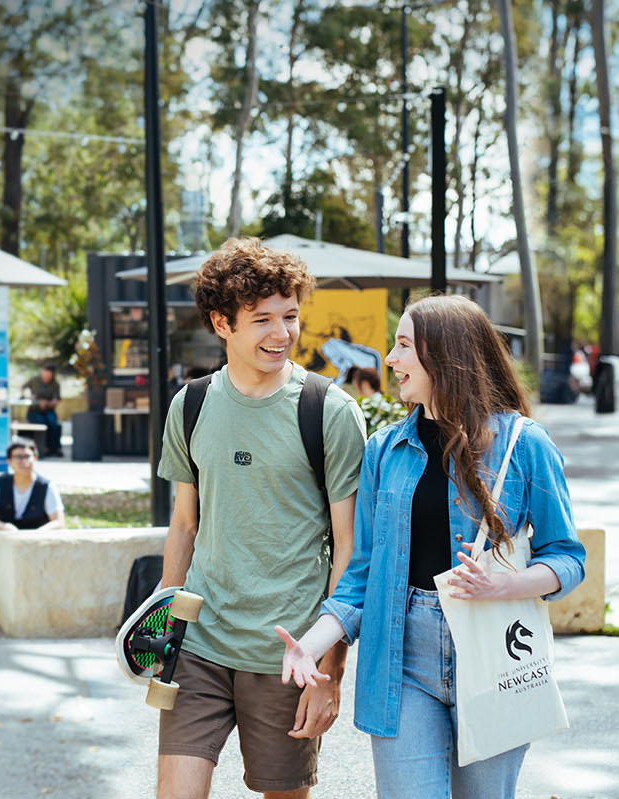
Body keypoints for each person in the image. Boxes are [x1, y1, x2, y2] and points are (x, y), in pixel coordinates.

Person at [274, 294, 586, 799]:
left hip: (493, 648)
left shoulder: (525, 444)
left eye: (402, 346)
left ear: (446, 354)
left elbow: (568, 558)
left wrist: (503, 584)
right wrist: (311, 645)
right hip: (401, 654)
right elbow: (362, 573)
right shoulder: (384, 450)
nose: (390, 360)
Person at [154, 237, 367, 799]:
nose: (282, 333)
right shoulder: (191, 404)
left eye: (291, 316)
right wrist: (160, 629)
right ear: (222, 324)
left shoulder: (330, 411)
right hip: (198, 641)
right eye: (262, 319)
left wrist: (329, 672)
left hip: (288, 653)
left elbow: (348, 550)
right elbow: (184, 525)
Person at [0, 437, 65, 539]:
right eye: (18, 457)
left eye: (27, 456)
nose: (24, 461)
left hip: (37, 541)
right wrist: (6, 527)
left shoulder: (47, 486)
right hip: (5, 538)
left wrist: (36, 534)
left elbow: (58, 522)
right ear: (9, 461)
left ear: (36, 458)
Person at [22, 362, 63, 457]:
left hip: (48, 410)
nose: (46, 376)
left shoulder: (55, 384)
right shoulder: (34, 380)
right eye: (45, 373)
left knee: (53, 423)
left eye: (49, 375)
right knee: (42, 423)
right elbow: (23, 388)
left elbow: (56, 399)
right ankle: (43, 448)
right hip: (34, 410)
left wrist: (48, 403)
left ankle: (56, 448)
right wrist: (30, 397)